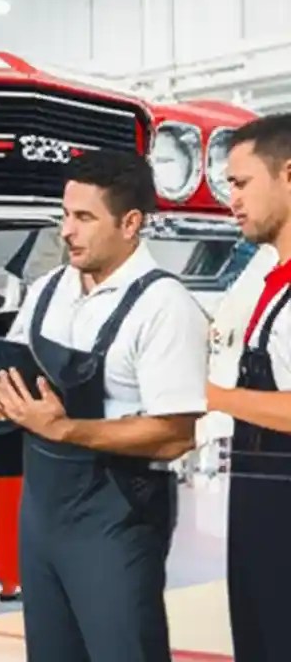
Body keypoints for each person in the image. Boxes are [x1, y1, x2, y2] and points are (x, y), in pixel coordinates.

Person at [0, 148, 211, 662]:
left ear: (131, 223)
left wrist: (65, 429)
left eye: (84, 218)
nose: (67, 231)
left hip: (117, 520)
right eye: (65, 214)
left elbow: (175, 434)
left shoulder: (163, 306)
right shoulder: (47, 290)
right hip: (41, 516)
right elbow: (14, 368)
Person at [202, 112, 291, 661]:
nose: (231, 200)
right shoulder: (267, 282)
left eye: (241, 183)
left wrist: (209, 396)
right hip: (260, 511)